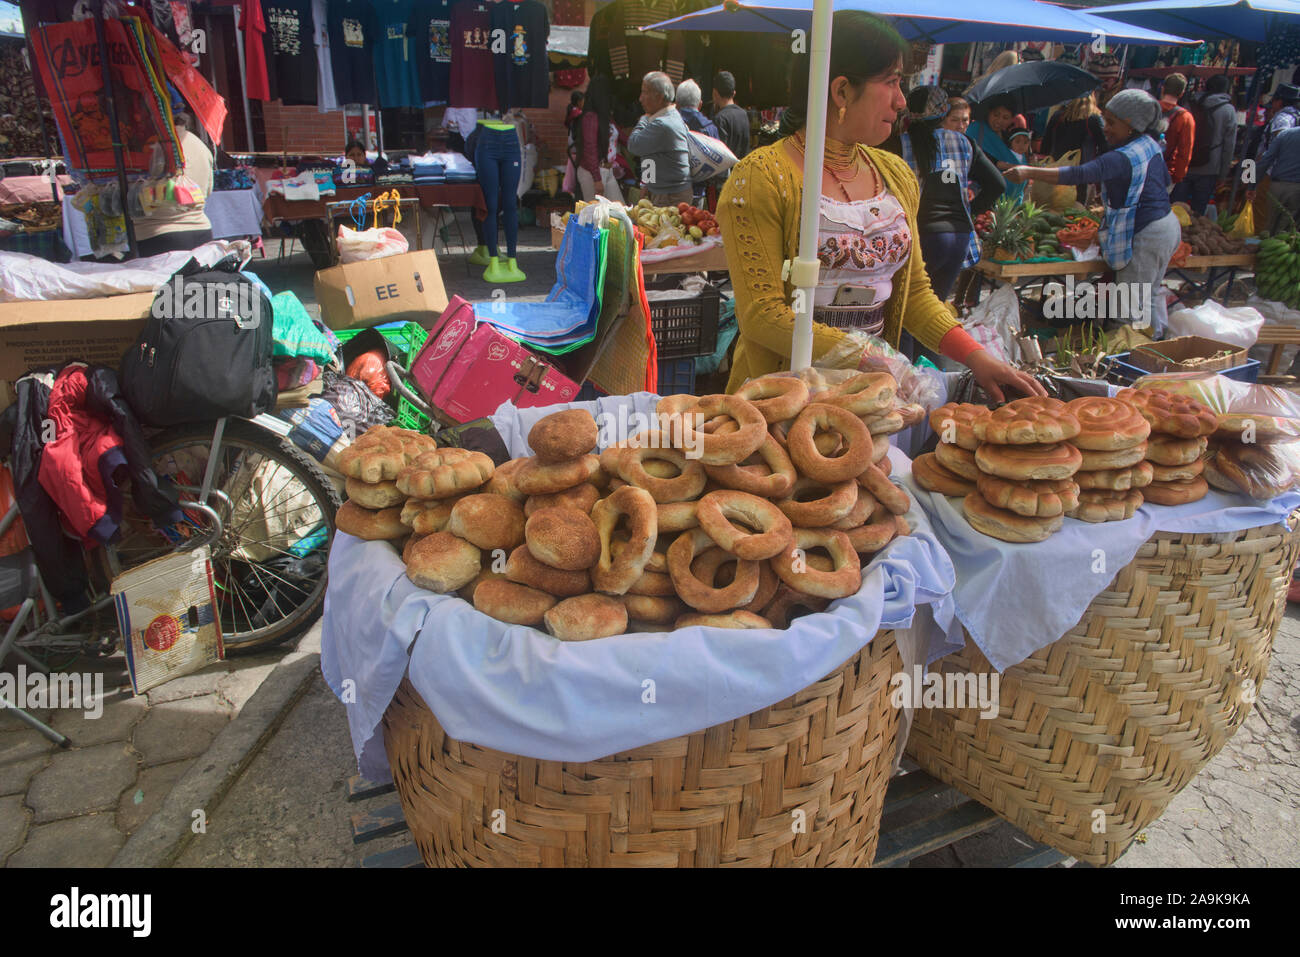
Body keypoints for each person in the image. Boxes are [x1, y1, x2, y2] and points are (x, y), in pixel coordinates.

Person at [717, 11, 1045, 402]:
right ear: (841, 91)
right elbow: (762, 316)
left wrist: (975, 355)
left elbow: (916, 295)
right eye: (892, 81)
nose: (902, 100)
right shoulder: (759, 178)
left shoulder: (895, 174)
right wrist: (873, 357)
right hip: (776, 405)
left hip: (866, 404)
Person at [1005, 90, 1180, 337]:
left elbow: (1081, 174)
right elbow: (1165, 181)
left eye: (1111, 123)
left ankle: (1128, 358)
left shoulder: (1123, 157)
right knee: (1144, 297)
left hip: (1148, 232)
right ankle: (1147, 351)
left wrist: (1028, 172)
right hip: (1163, 226)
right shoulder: (1149, 145)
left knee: (1129, 308)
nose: (1105, 128)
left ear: (1130, 124)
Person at [896, 86, 1007, 308]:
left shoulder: (900, 143)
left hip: (920, 237)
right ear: (944, 111)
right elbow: (997, 184)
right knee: (935, 312)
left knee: (909, 316)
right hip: (959, 237)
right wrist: (968, 209)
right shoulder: (964, 143)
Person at [135, 113, 213, 256]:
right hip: (201, 229)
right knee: (192, 277)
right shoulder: (200, 145)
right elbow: (207, 191)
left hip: (160, 234)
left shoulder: (151, 145)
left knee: (175, 278)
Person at [628, 71, 693, 208]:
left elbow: (633, 145)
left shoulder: (662, 124)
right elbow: (649, 155)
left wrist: (643, 120)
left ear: (659, 97)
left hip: (670, 197)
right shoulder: (668, 117)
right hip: (665, 192)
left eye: (644, 92)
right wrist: (646, 183)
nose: (640, 98)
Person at [1174, 73, 1236, 216]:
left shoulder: (1190, 104)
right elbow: (1229, 145)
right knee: (1197, 213)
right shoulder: (1228, 110)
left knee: (1176, 209)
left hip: (1186, 164)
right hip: (1210, 168)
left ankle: (1174, 236)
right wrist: (1223, 173)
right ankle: (1189, 237)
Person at [1040, 94, 1108, 206]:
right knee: (1076, 212)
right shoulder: (1093, 119)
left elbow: (1045, 147)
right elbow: (1105, 148)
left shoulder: (1058, 117)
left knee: (1053, 208)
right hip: (1082, 175)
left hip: (1056, 172)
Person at [571, 75, 623, 204]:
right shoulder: (590, 117)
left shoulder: (606, 117)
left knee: (619, 211)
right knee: (597, 217)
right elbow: (590, 149)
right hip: (593, 173)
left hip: (606, 170)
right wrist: (597, 179)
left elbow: (622, 136)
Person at [966, 98, 1025, 200]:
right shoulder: (976, 129)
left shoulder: (1009, 138)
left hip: (1010, 201)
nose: (999, 121)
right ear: (989, 113)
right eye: (996, 115)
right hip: (978, 194)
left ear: (1012, 119)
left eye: (1005, 117)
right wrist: (1013, 166)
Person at [1257, 124, 1300, 234]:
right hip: (1297, 190)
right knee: (1285, 230)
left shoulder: (1285, 134)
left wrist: (1252, 184)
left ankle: (1263, 246)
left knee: (1267, 225)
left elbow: (1265, 160)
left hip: (1276, 186)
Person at [1159, 73, 1195, 189]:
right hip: (1165, 171)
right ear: (1181, 93)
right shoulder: (1185, 117)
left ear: (1163, 88)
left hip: (1139, 164)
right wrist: (1177, 176)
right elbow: (1185, 150)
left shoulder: (1149, 107)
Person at [712, 70, 751, 163]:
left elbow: (719, 155)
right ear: (734, 93)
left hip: (726, 175)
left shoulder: (720, 119)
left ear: (715, 93)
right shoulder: (744, 114)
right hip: (741, 171)